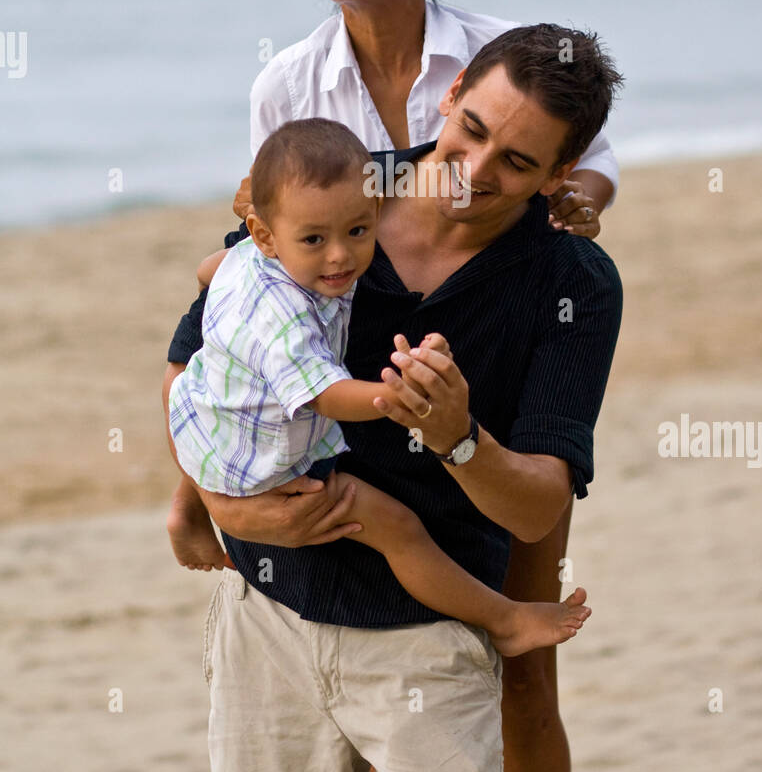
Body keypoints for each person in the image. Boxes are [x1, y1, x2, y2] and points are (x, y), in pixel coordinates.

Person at [165, 0, 619, 772]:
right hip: (271, 601)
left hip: (427, 625)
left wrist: (455, 431)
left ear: (556, 177)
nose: (473, 169)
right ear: (449, 96)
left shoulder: (571, 283)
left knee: (522, 682)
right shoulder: (339, 183)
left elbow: (538, 504)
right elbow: (206, 338)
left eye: (515, 161)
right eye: (469, 131)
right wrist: (207, 493)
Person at [168, 116, 592, 658]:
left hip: (205, 424)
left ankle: (193, 512)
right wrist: (394, 398)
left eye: (358, 232)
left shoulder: (247, 260)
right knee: (397, 528)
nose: (340, 256)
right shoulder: (287, 317)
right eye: (315, 239)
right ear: (264, 234)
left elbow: (208, 270)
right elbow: (325, 395)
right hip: (260, 463)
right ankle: (503, 619)